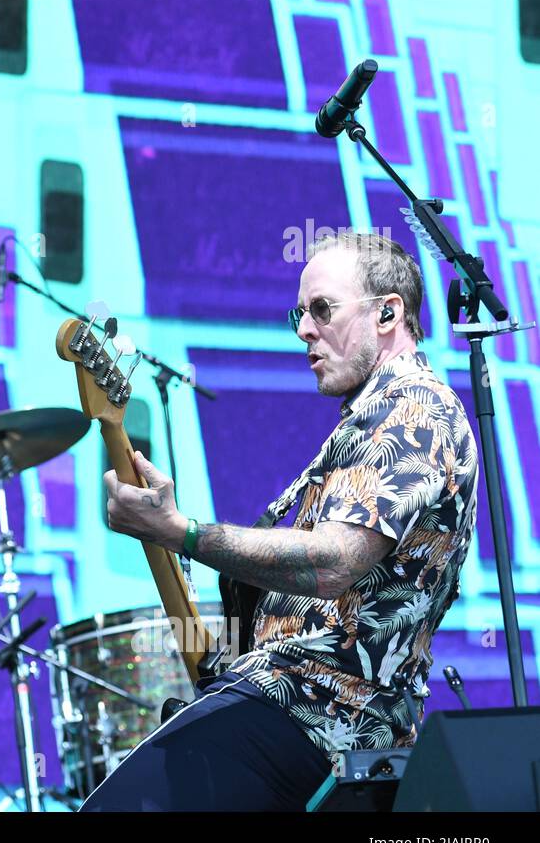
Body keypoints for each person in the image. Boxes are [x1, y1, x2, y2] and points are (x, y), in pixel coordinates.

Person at [82, 232, 478, 811]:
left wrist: (183, 533)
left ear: (389, 312)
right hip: (297, 708)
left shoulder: (415, 410)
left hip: (322, 714)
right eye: (300, 312)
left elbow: (333, 561)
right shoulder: (370, 420)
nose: (304, 330)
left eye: (323, 309)